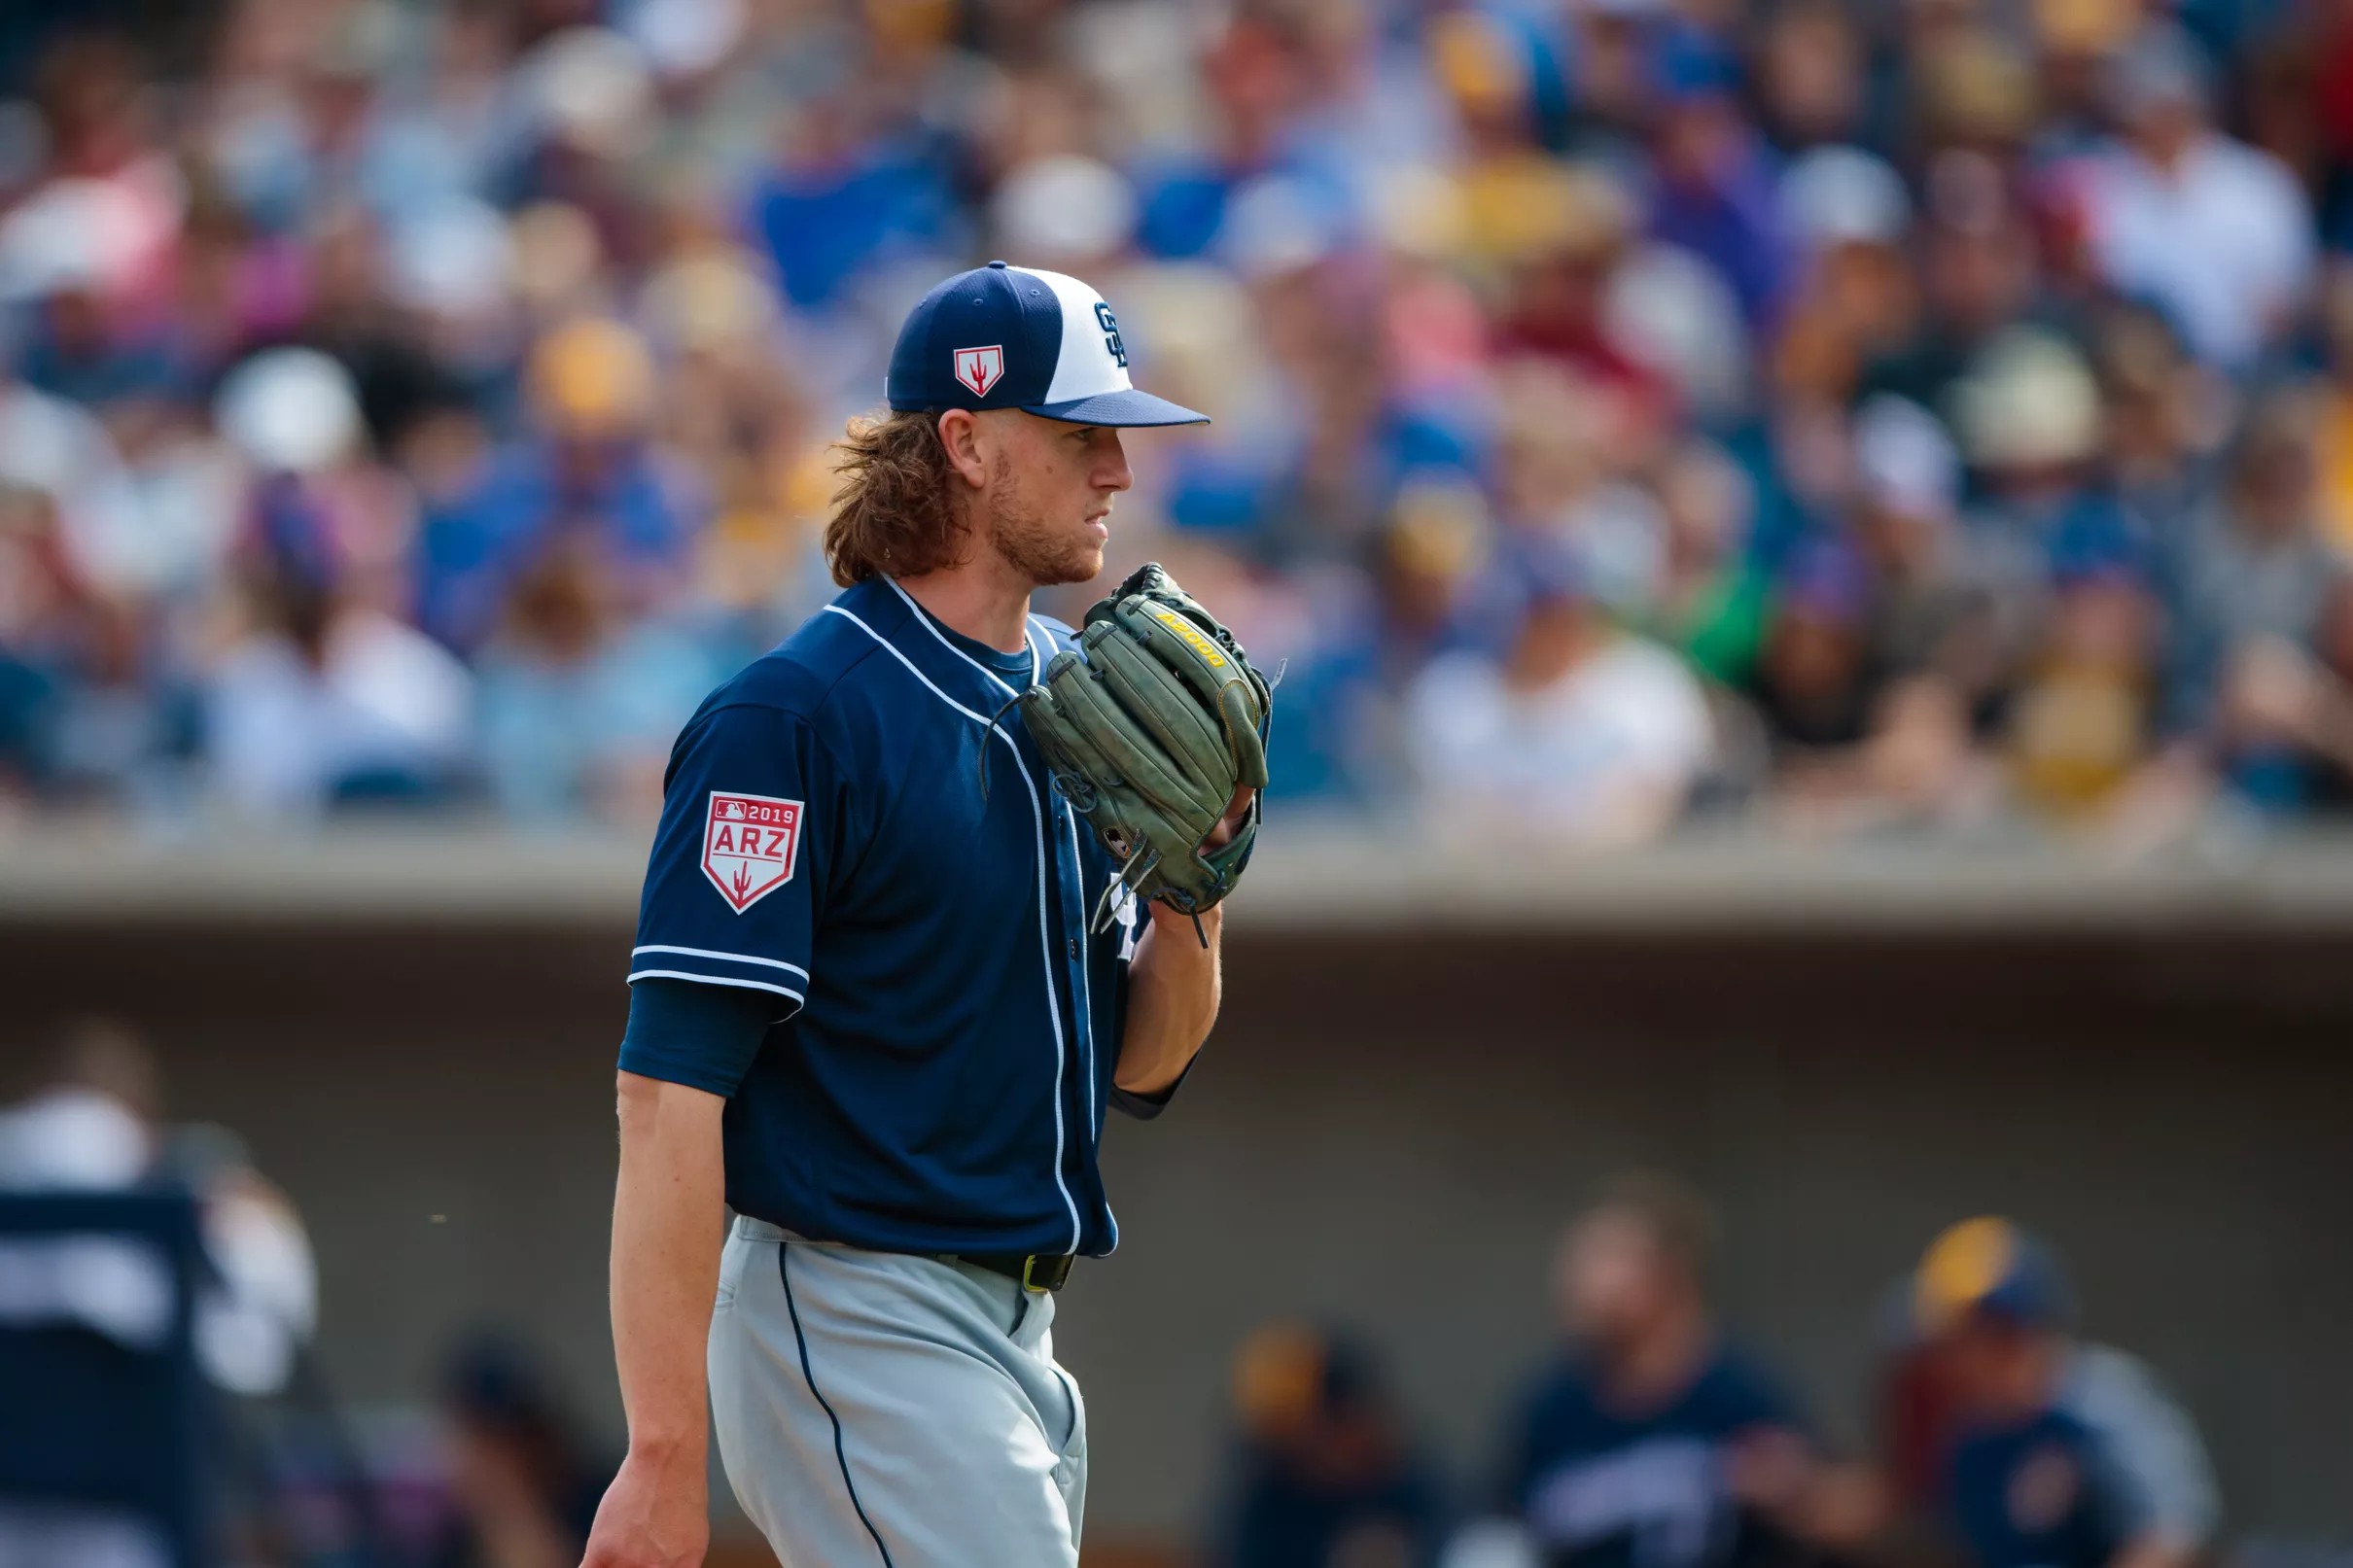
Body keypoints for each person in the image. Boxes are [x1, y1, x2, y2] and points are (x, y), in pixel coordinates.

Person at [580, 261, 1247, 1568]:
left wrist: (1192, 896)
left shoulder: (1078, 696)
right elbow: (664, 1094)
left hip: (1016, 1336)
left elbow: (1142, 1065)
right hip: (855, 1305)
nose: (1118, 469)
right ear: (966, 441)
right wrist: (662, 1452)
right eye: (1080, 433)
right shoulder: (795, 718)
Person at [1493, 1175, 1822, 1568]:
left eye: (1603, 1258)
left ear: (1670, 1272)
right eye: (1573, 1263)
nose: (1575, 1281)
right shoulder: (1552, 1407)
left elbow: (1840, 1509)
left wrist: (1794, 1494)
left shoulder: (1738, 1394)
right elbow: (1499, 1528)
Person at [1908, 1218, 2219, 1568]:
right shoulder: (1967, 1437)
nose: (1952, 1358)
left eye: (1968, 1336)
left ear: (2016, 1330)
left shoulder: (2101, 1404)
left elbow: (2174, 1533)